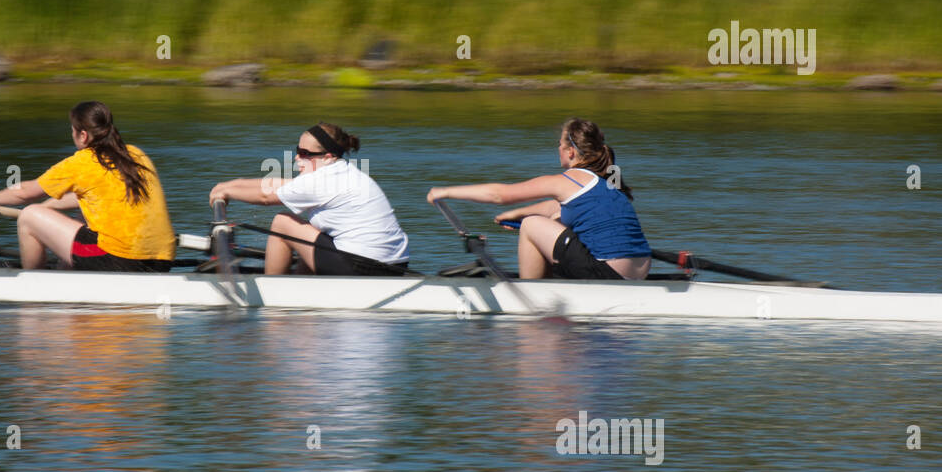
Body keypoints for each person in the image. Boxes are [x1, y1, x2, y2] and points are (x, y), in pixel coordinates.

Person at [426, 118, 650, 280]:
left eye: (560, 145)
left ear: (571, 151)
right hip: (639, 271)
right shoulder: (606, 182)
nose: (558, 149)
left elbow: (499, 195)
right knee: (552, 217)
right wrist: (517, 214)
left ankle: (533, 289)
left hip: (610, 274)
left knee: (532, 225)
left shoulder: (567, 180)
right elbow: (556, 207)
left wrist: (445, 192)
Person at [0, 101, 175, 271]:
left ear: (83, 135)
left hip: (120, 261)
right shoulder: (136, 154)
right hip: (162, 261)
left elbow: (26, 193)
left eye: (73, 131)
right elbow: (92, 197)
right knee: (81, 217)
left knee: (29, 216)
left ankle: (34, 286)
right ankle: (65, 274)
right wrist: (47, 209)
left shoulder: (82, 162)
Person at [209, 122, 410, 275]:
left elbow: (264, 196)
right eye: (298, 151)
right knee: (312, 233)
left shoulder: (321, 180)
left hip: (364, 268)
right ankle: (300, 285)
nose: (297, 158)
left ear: (328, 156)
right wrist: (227, 186)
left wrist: (226, 193)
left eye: (305, 153)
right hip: (396, 265)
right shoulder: (343, 172)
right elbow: (278, 185)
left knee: (283, 222)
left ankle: (273, 289)